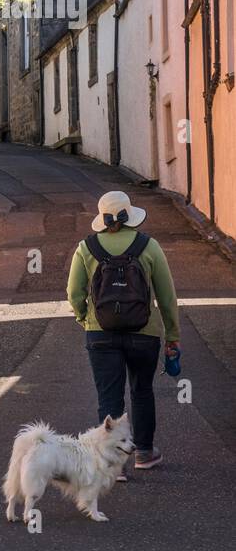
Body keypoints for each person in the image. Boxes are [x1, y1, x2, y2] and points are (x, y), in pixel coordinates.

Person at [67, 191, 180, 471]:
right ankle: (143, 453)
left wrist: (85, 318)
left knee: (109, 396)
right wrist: (172, 336)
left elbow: (73, 292)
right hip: (145, 333)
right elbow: (167, 297)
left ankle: (112, 464)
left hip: (100, 332)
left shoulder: (86, 247)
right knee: (142, 391)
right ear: (129, 215)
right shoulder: (149, 246)